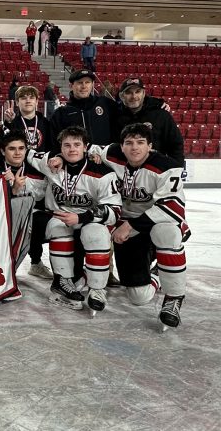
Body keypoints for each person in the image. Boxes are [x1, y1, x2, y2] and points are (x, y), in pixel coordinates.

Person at [92, 123, 189, 329]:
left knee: (168, 232)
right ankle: (156, 275)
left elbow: (171, 207)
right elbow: (90, 148)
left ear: (150, 146)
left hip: (155, 221)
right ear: (122, 145)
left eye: (140, 142)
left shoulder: (167, 166)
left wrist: (129, 226)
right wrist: (88, 156)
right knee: (138, 297)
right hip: (126, 224)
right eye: (129, 143)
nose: (134, 148)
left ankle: (173, 298)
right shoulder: (112, 153)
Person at [28, 126, 121, 312]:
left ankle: (97, 289)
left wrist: (81, 217)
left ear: (86, 147)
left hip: (85, 222)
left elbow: (114, 211)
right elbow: (25, 152)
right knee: (59, 225)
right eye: (67, 145)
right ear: (60, 148)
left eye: (77, 145)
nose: (72, 149)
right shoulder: (50, 162)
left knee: (96, 232)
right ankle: (61, 282)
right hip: (56, 221)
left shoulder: (103, 173)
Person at [0, 130, 52, 280]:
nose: (17, 153)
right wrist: (13, 191)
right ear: (3, 152)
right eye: (12, 149)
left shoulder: (37, 170)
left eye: (21, 148)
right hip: (3, 216)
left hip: (32, 213)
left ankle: (37, 263)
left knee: (51, 222)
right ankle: (0, 269)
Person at [115, 78, 184, 164]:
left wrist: (177, 168)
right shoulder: (114, 115)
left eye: (138, 92)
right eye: (129, 93)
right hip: (123, 171)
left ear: (144, 93)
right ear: (121, 96)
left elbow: (175, 144)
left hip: (155, 170)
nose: (134, 96)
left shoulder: (161, 115)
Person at [0, 85, 52, 152]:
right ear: (17, 102)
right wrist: (9, 123)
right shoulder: (13, 122)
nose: (28, 101)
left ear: (36, 102)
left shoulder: (45, 123)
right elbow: (3, 144)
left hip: (41, 161)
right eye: (23, 98)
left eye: (31, 98)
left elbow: (51, 146)